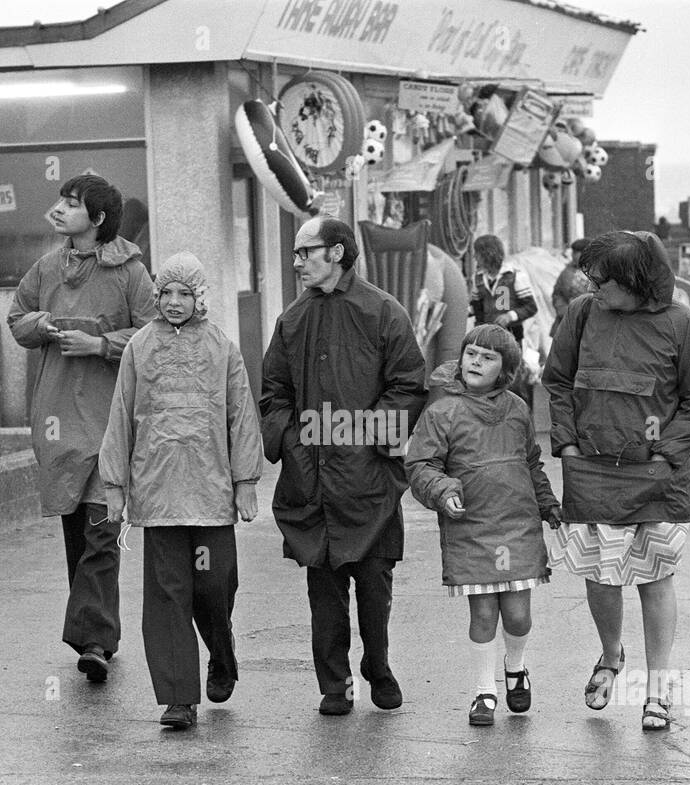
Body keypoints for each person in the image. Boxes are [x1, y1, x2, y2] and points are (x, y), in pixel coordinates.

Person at [542, 230, 690, 731]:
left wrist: (667, 454)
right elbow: (555, 381)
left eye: (603, 281)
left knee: (655, 579)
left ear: (636, 282)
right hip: (591, 470)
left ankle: (657, 691)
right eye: (590, 279)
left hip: (656, 475)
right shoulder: (581, 313)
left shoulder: (681, 324)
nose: (592, 287)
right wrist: (568, 445)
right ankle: (610, 654)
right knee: (601, 578)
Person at [259, 216, 427, 716]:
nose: (296, 263)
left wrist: (367, 435)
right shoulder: (292, 319)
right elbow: (274, 393)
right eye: (294, 254)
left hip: (369, 477)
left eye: (304, 252)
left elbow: (409, 383)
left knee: (374, 583)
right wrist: (292, 443)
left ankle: (378, 664)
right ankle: (334, 684)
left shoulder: (382, 311)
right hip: (311, 479)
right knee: (324, 588)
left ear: (335, 252)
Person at [98, 252, 262, 730]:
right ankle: (178, 698)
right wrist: (115, 486)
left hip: (210, 498)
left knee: (212, 586)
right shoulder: (139, 348)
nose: (173, 302)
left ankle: (221, 652)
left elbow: (240, 416)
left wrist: (245, 482)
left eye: (183, 294)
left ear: (199, 298)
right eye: (165, 293)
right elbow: (121, 416)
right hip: (158, 494)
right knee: (169, 596)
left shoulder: (222, 348)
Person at [7, 174, 157, 683]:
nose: (59, 210)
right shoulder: (46, 268)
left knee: (100, 531)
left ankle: (92, 640)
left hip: (110, 420)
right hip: (57, 421)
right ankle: (98, 635)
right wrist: (42, 325)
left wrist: (101, 345)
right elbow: (17, 318)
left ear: (97, 219)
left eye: (71, 205)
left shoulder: (132, 273)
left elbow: (154, 333)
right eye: (61, 201)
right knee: (79, 530)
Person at [407, 325, 560, 726]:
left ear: (506, 368)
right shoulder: (441, 412)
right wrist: (442, 490)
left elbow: (531, 462)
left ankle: (516, 668)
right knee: (483, 617)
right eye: (471, 353)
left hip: (518, 524)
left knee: (518, 615)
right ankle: (484, 692)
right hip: (471, 527)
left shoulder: (517, 408)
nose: (476, 361)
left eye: (488, 357)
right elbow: (421, 465)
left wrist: (547, 503)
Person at [469, 234, 538, 408]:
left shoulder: (515, 275)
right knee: (489, 382)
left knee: (513, 382)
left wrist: (510, 316)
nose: (474, 257)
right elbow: (477, 309)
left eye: (476, 253)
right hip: (488, 339)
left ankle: (523, 421)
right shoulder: (477, 279)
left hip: (512, 338)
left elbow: (531, 307)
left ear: (487, 253)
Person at [551, 237, 593, 338]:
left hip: (590, 321)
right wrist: (564, 310)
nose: (573, 256)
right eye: (573, 252)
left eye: (576, 253)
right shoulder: (567, 272)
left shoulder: (597, 271)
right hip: (568, 320)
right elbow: (557, 294)